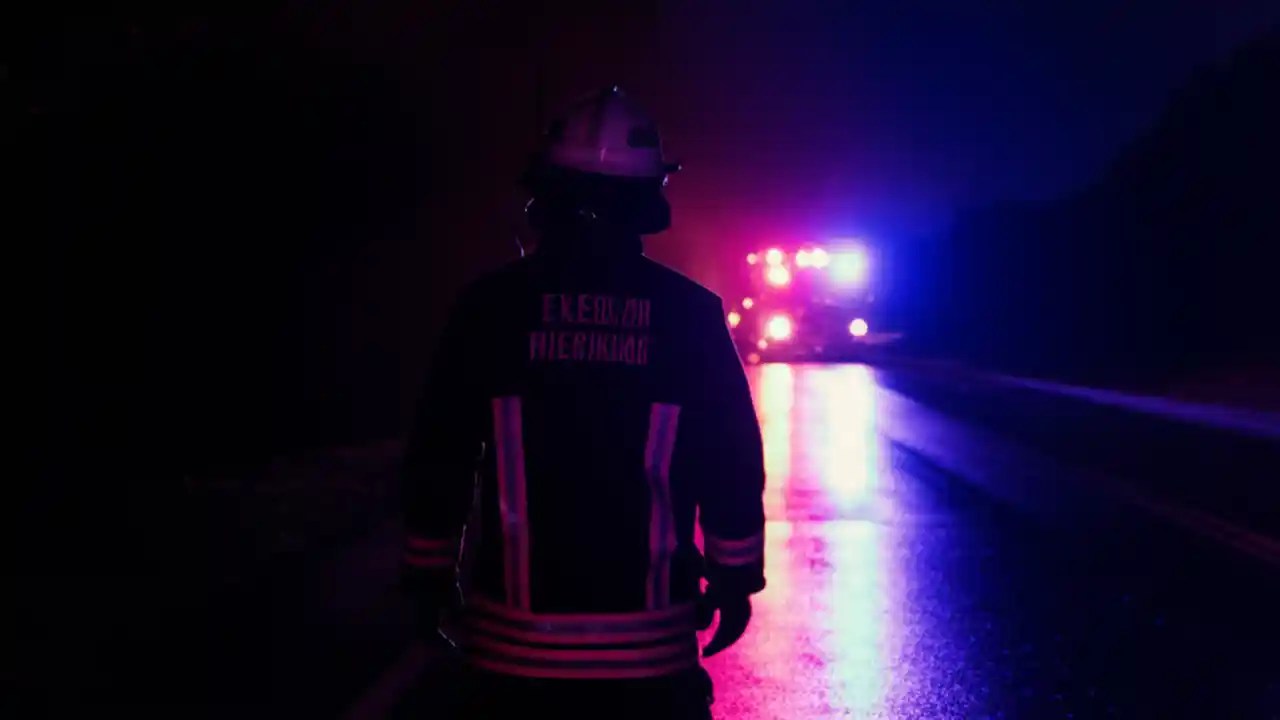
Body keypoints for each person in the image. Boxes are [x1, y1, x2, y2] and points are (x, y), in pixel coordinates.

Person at [400, 86, 766, 719]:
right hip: (651, 662)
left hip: (512, 662)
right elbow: (730, 459)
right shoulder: (690, 315)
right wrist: (735, 577)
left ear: (546, 193)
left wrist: (427, 574)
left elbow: (441, 451)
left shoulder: (489, 308)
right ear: (649, 199)